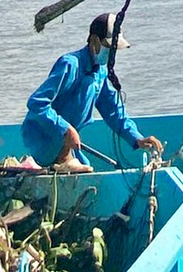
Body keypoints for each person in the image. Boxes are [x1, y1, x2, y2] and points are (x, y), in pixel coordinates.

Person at [22, 12, 164, 170]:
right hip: (43, 140)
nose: (112, 54)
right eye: (109, 47)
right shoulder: (70, 65)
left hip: (68, 145)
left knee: (86, 167)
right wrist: (65, 129)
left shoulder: (100, 71)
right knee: (80, 172)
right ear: (95, 41)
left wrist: (137, 139)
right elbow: (37, 103)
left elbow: (113, 110)